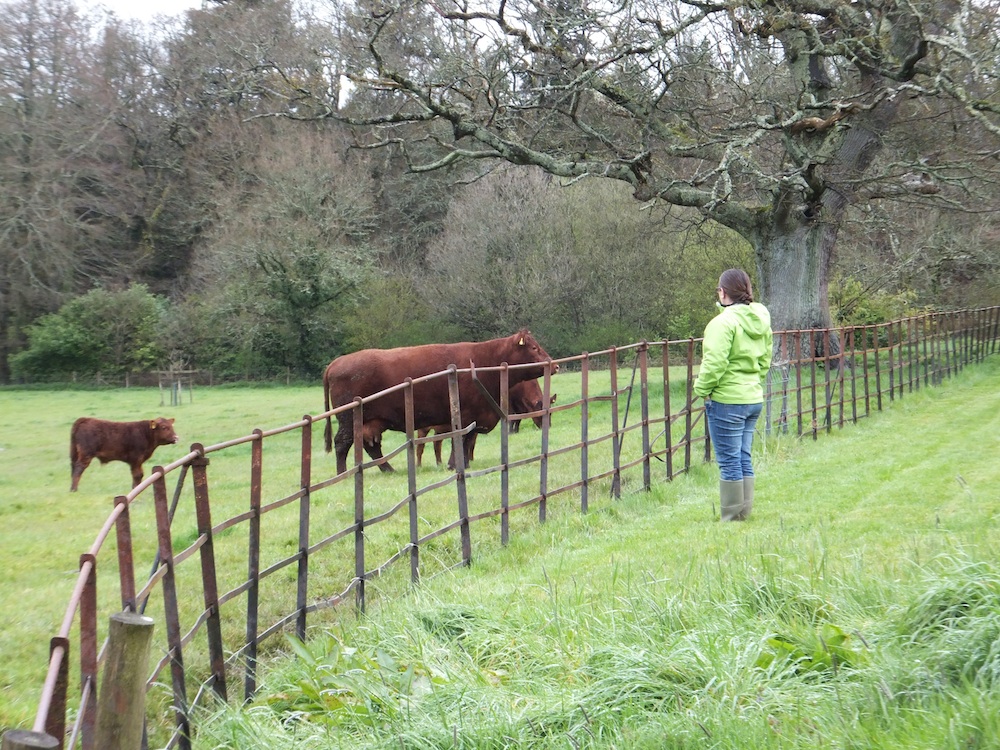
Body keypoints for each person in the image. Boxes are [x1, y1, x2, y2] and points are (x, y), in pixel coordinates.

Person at [693, 269, 772, 521]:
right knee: (743, 456)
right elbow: (765, 359)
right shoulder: (761, 320)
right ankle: (743, 513)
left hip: (727, 401)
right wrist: (753, 383)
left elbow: (714, 363)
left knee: (729, 461)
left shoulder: (722, 323)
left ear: (723, 292)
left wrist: (701, 390)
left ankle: (732, 518)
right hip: (753, 399)